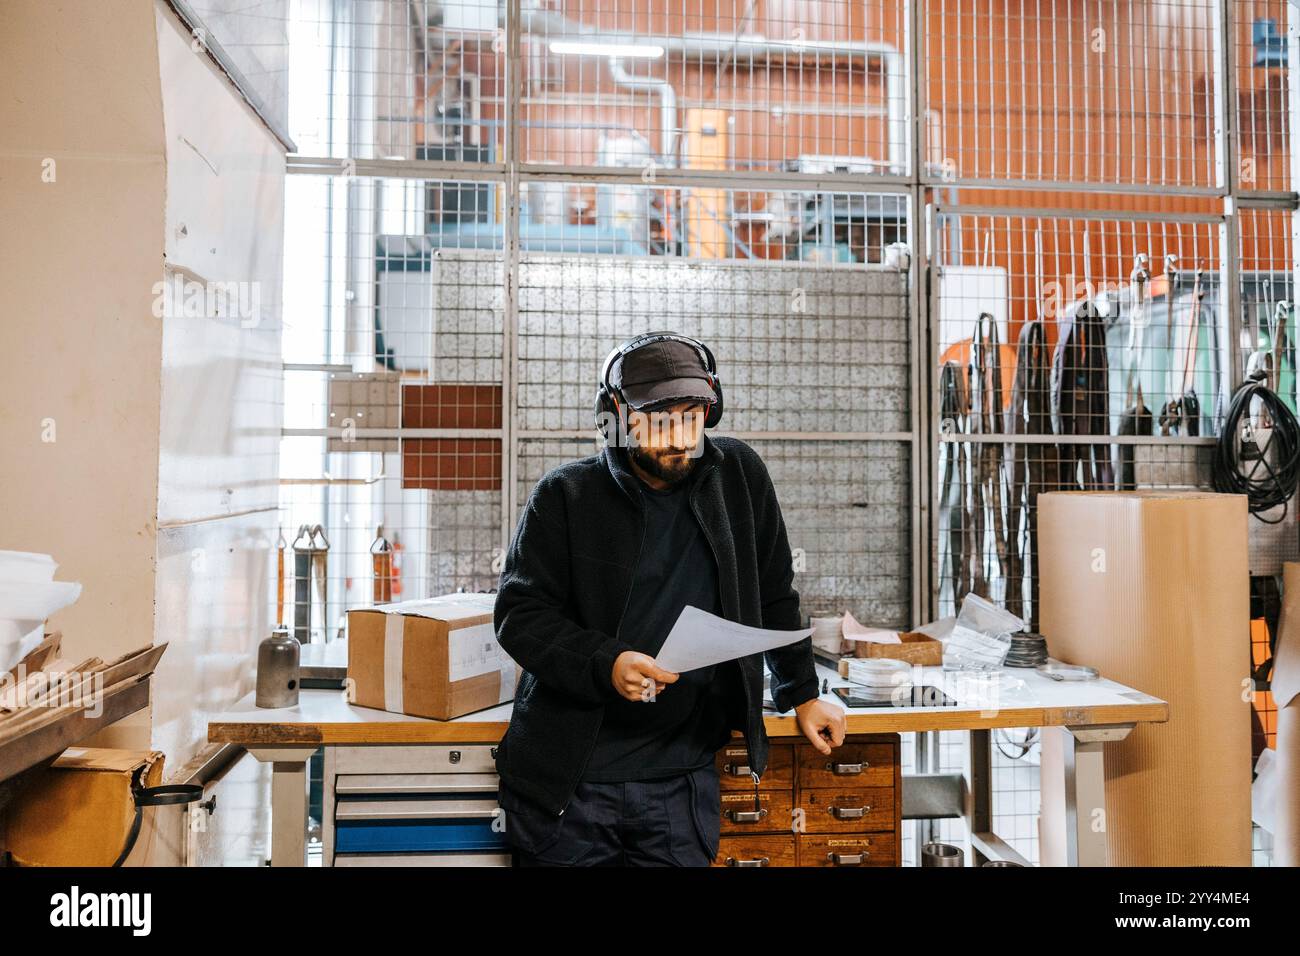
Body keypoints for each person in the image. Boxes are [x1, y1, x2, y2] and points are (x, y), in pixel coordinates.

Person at [493, 331, 846, 865]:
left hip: (680, 783)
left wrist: (802, 693)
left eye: (693, 415)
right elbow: (520, 617)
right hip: (571, 786)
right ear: (615, 413)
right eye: (660, 419)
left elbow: (774, 592)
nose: (680, 437)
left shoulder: (739, 478)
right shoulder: (564, 496)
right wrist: (607, 663)